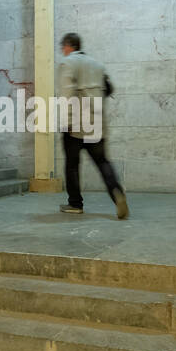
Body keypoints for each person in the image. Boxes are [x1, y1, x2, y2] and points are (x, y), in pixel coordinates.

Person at [57, 33, 128, 219]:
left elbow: (66, 95)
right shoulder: (97, 65)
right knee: (103, 162)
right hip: (96, 122)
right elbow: (109, 88)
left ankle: (75, 204)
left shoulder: (68, 64)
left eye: (62, 47)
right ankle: (116, 193)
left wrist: (67, 122)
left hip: (76, 124)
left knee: (72, 165)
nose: (62, 51)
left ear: (68, 46)